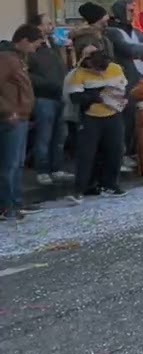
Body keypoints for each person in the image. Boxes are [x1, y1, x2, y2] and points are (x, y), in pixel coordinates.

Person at [66, 44, 129, 198]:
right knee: (87, 154)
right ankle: (83, 187)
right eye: (97, 69)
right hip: (90, 117)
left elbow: (123, 88)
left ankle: (110, 184)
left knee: (115, 150)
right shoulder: (79, 73)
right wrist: (96, 95)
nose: (100, 73)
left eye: (103, 69)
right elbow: (75, 97)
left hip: (113, 114)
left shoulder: (115, 68)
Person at [0, 25, 39, 220]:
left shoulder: (16, 58)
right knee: (10, 164)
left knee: (17, 163)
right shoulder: (6, 59)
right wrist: (8, 111)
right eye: (34, 44)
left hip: (21, 117)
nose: (35, 49)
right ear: (24, 41)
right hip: (12, 118)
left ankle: (15, 202)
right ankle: (7, 206)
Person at [27, 14, 71, 187]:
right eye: (48, 23)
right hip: (44, 97)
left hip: (59, 94)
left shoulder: (53, 43)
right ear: (38, 27)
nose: (52, 26)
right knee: (44, 136)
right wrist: (48, 84)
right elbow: (28, 73)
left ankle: (57, 168)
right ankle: (42, 170)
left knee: (60, 135)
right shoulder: (32, 48)